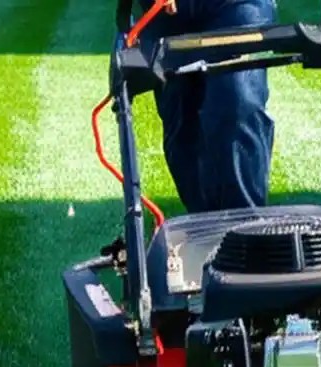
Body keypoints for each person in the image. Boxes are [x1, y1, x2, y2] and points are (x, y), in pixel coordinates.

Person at [118, 0, 280, 213]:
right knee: (183, 124)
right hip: (165, 12)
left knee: (237, 101)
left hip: (235, 6)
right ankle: (203, 222)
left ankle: (245, 224)